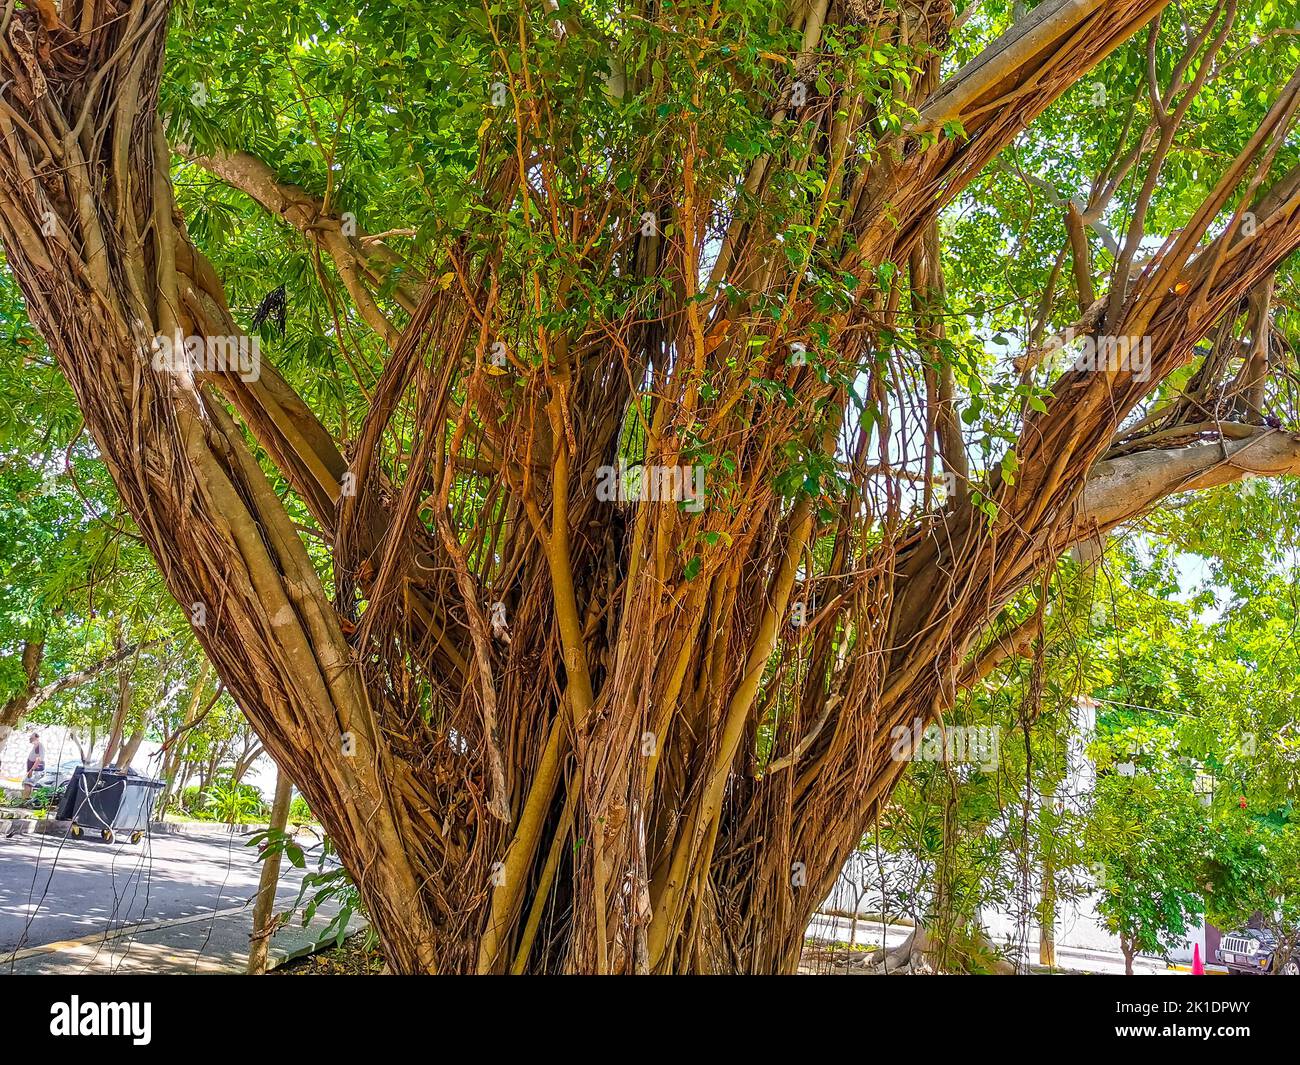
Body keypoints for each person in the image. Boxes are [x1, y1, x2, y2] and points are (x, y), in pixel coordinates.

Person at [22, 732, 45, 800]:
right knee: (29, 784)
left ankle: (24, 801)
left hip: (35, 770)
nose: (30, 739)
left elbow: (39, 759)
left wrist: (32, 770)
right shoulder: (36, 745)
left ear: (36, 738)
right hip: (33, 769)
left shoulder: (39, 746)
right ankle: (27, 801)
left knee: (27, 784)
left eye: (32, 737)